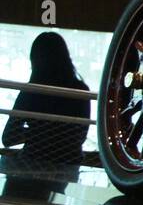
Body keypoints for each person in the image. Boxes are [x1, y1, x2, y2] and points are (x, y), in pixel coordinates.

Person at [2, 31, 91, 165]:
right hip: (68, 163)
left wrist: (36, 134)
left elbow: (8, 138)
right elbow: (80, 137)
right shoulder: (80, 91)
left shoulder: (31, 91)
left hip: (32, 161)